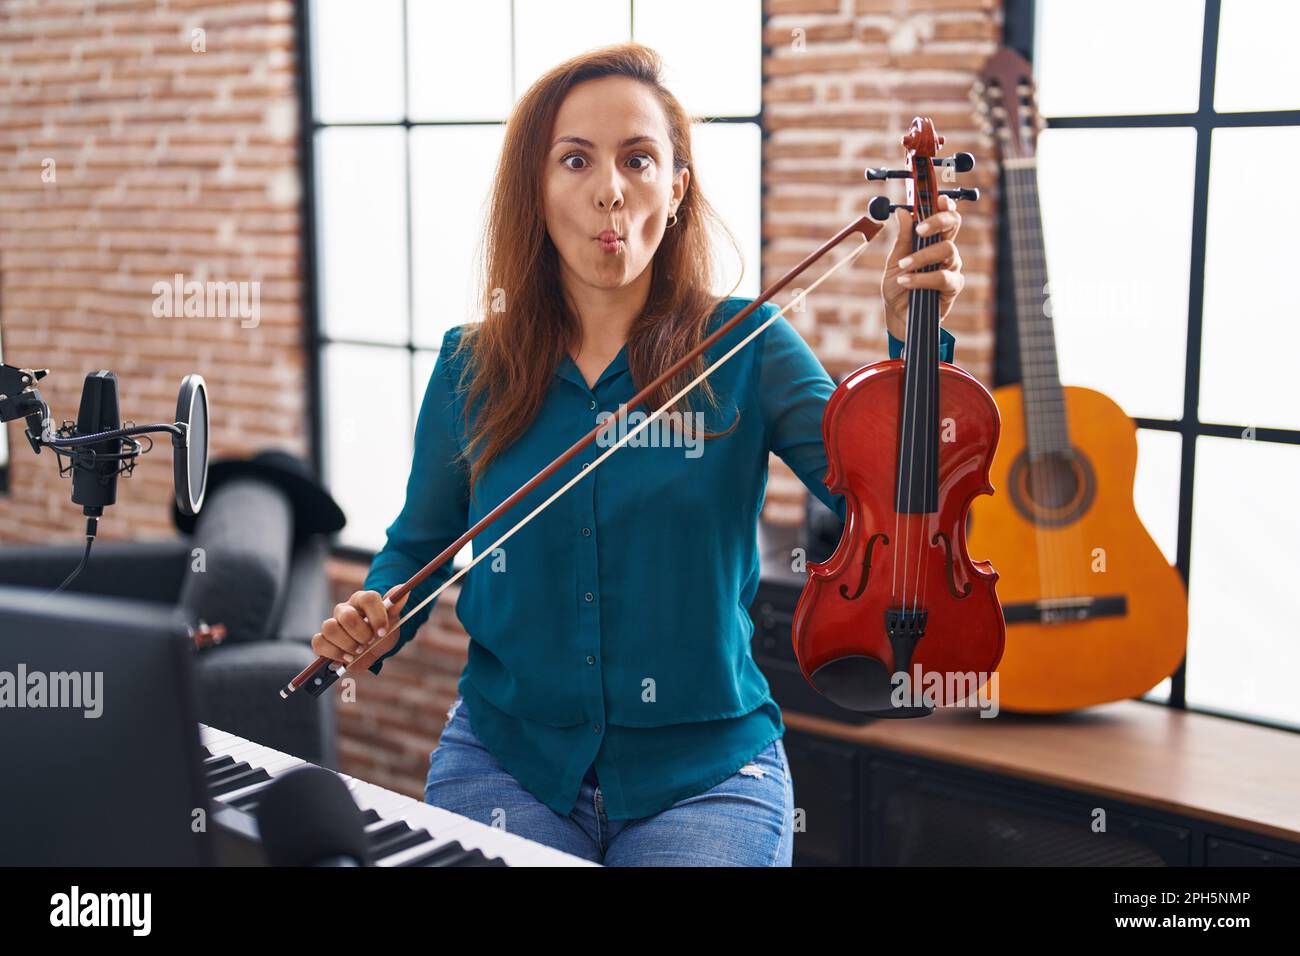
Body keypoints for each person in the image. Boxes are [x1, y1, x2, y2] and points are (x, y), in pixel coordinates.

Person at [311, 42, 964, 866]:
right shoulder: (466, 366)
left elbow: (891, 496)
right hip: (508, 764)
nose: (609, 191)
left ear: (677, 187)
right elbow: (419, 546)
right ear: (537, 189)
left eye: (639, 159)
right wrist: (376, 614)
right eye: (575, 160)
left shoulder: (750, 344)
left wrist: (914, 343)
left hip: (707, 775)